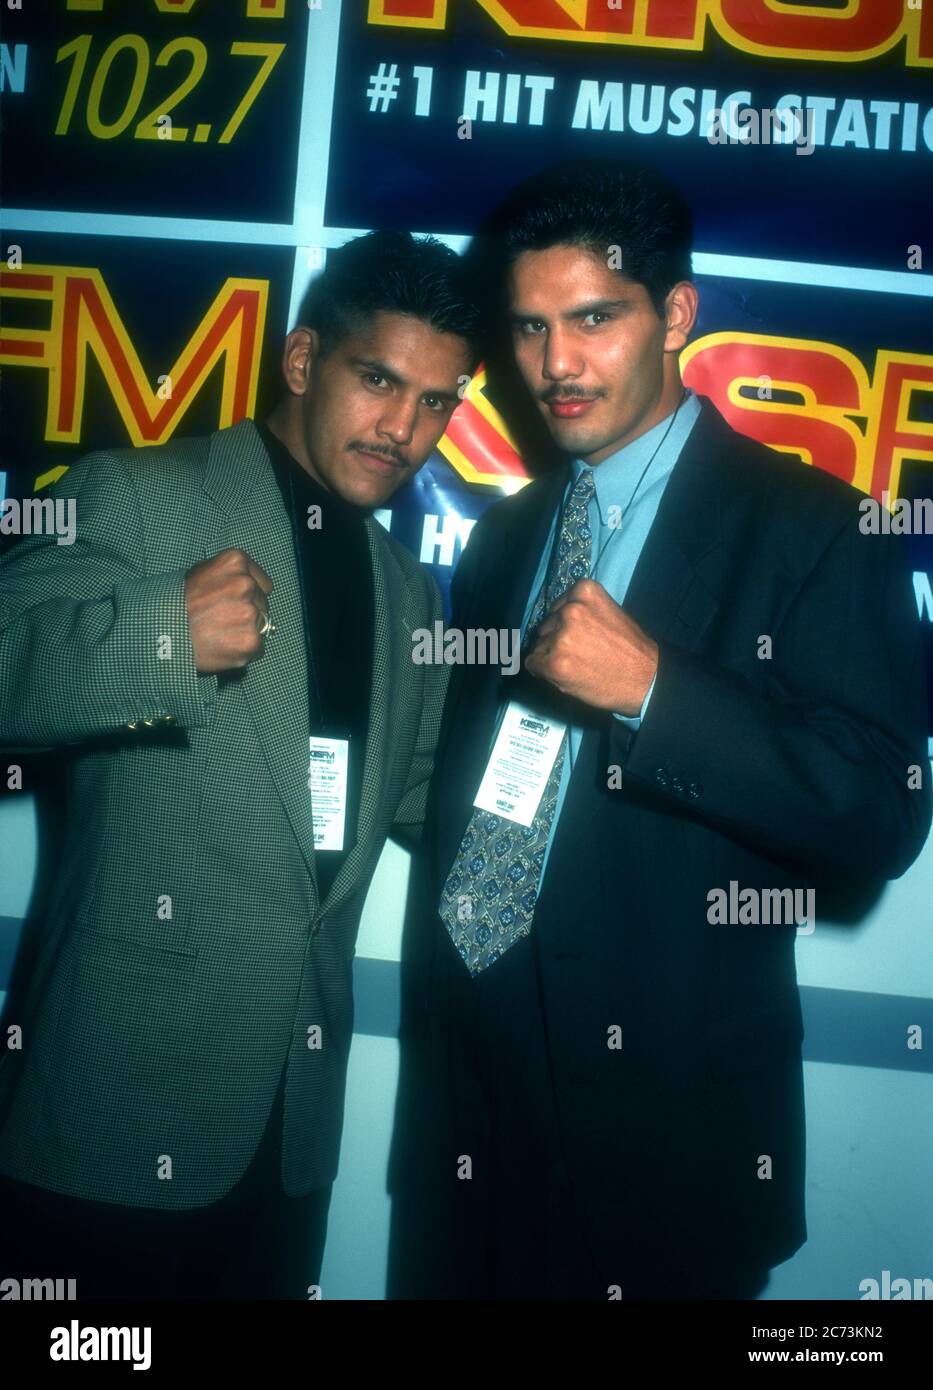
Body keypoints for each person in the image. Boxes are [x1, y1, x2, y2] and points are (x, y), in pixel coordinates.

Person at [390, 160, 932, 1300]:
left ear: (676, 313)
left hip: (665, 1146)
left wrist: (656, 691)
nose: (556, 365)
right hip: (469, 1114)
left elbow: (880, 815)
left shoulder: (819, 528)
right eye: (532, 327)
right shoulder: (503, 539)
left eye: (596, 318)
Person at [0, 229, 480, 1299]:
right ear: (305, 361)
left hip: (289, 1137)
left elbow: (420, 801)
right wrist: (164, 630)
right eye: (378, 380)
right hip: (110, 1117)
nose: (405, 428)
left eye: (438, 402)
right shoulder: (137, 491)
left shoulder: (407, 586)